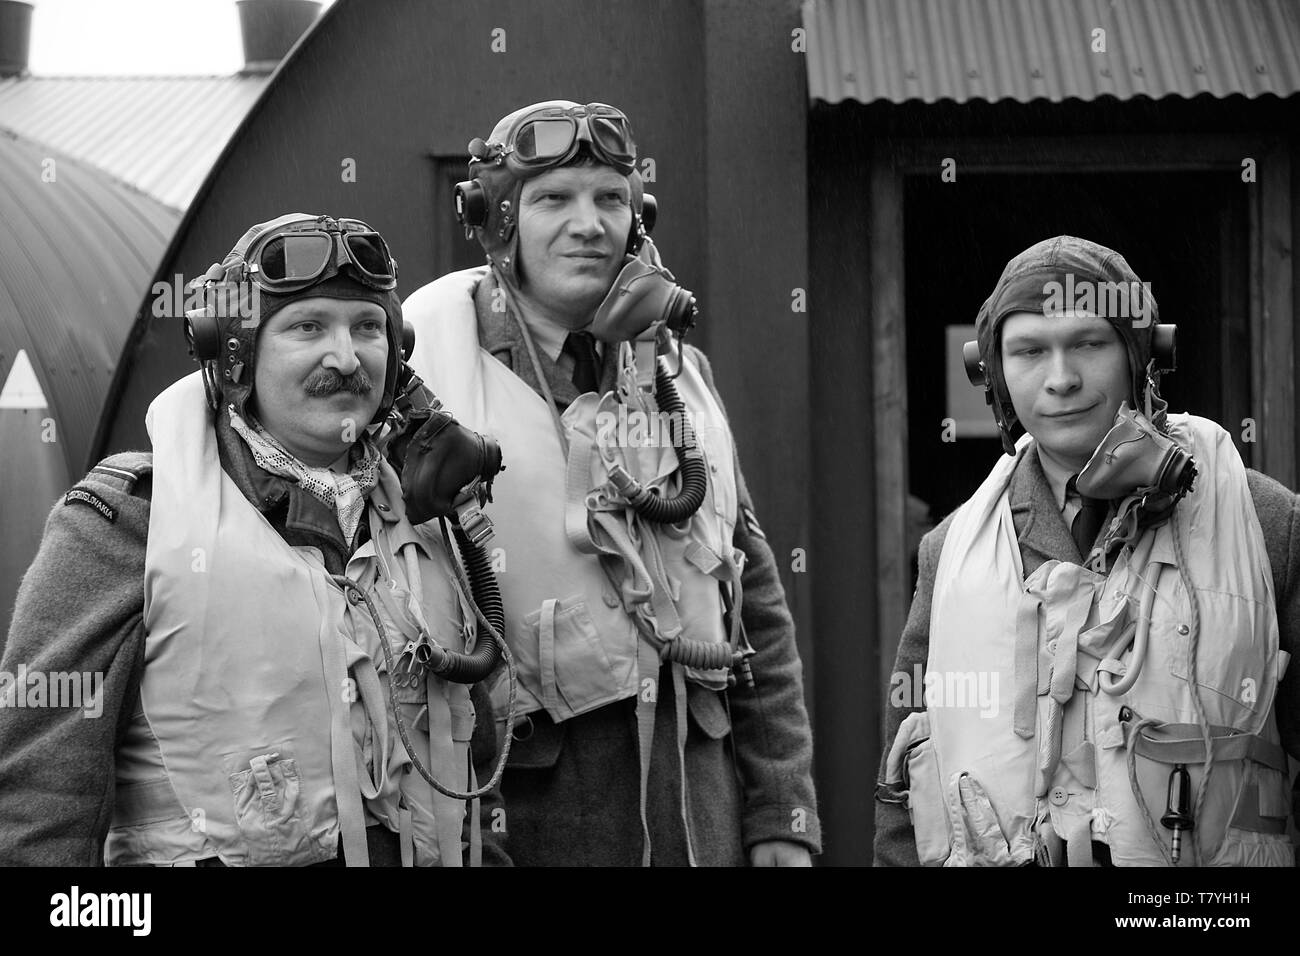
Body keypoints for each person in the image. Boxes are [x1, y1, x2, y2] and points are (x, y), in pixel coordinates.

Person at [0, 213, 510, 867]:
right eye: (308, 327)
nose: (347, 358)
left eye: (367, 328)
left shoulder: (431, 522)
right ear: (232, 348)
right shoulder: (128, 521)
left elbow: (479, 780)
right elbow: (38, 815)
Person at [402, 101, 820, 865]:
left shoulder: (681, 376)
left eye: (611, 199)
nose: (589, 224)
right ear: (497, 219)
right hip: (527, 817)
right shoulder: (422, 377)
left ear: (639, 219)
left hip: (702, 807)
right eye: (553, 199)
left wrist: (781, 813)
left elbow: (751, 596)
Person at [874, 235, 1300, 867]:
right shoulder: (951, 549)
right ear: (991, 372)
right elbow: (903, 788)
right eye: (1029, 352)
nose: (1061, 379)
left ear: (1141, 355)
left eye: (1088, 344)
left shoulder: (1264, 523)